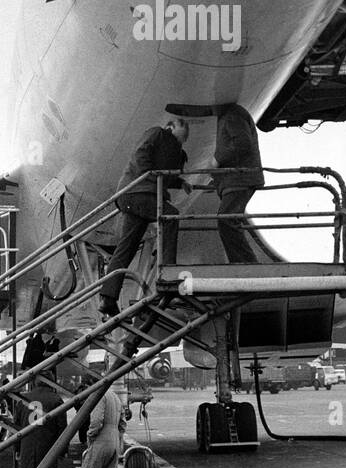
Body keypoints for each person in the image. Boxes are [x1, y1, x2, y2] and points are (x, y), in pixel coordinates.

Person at [97, 116, 189, 317]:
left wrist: (179, 182)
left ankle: (108, 297)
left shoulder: (174, 148)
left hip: (138, 197)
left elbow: (165, 174)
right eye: (183, 131)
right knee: (171, 217)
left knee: (126, 247)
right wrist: (149, 174)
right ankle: (169, 275)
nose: (183, 139)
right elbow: (142, 155)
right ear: (171, 127)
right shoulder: (157, 133)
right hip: (141, 193)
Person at [203, 103, 264, 264]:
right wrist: (217, 180)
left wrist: (218, 159)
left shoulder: (232, 115)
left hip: (240, 179)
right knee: (228, 221)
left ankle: (246, 264)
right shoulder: (229, 115)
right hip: (236, 179)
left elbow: (243, 143)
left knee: (226, 220)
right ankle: (243, 263)